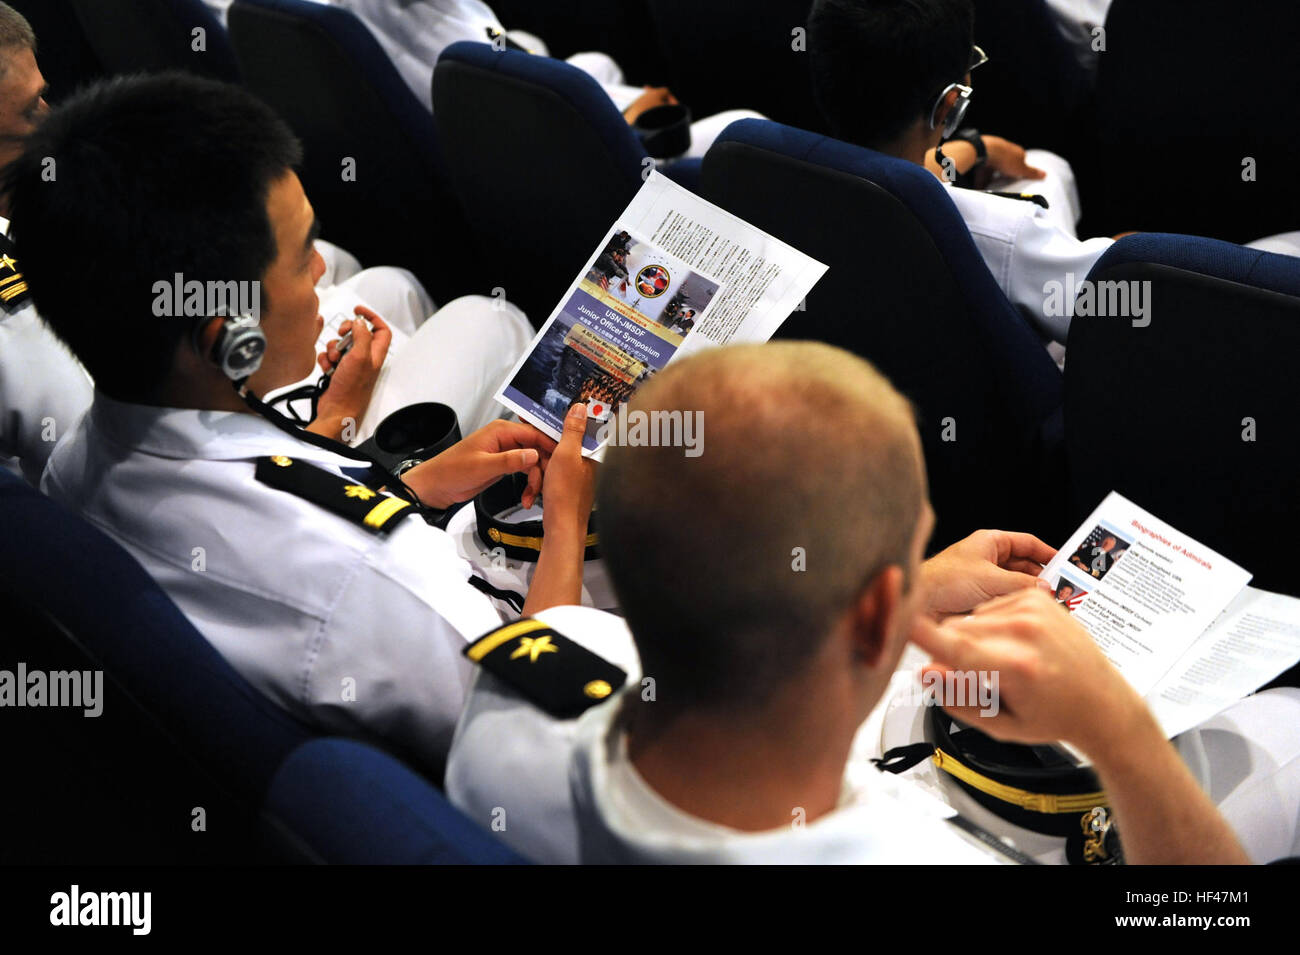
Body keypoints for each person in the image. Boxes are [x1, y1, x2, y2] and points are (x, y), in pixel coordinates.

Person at [451, 342, 1298, 864]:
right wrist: (1120, 734)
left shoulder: (508, 704)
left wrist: (912, 587)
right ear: (869, 618)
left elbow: (561, 628)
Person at [6, 72, 597, 779]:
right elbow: (544, 735)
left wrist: (409, 487)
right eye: (301, 256)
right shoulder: (372, 574)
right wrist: (566, 521)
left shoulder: (74, 459)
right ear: (231, 340)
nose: (323, 268)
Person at [806, 0, 1296, 345]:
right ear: (951, 100)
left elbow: (910, 172)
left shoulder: (745, 145)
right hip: (1035, 382)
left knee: (1044, 166)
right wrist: (1132, 252)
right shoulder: (1008, 237)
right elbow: (1133, 304)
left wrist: (974, 147)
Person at [204, 0, 762, 159]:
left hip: (463, 128)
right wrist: (627, 109)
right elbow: (529, 104)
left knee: (585, 56)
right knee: (745, 125)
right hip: (540, 151)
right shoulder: (437, 22)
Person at [0, 3, 91, 482]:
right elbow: (90, 469)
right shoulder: (16, 314)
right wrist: (322, 429)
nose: (50, 118)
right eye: (31, 107)